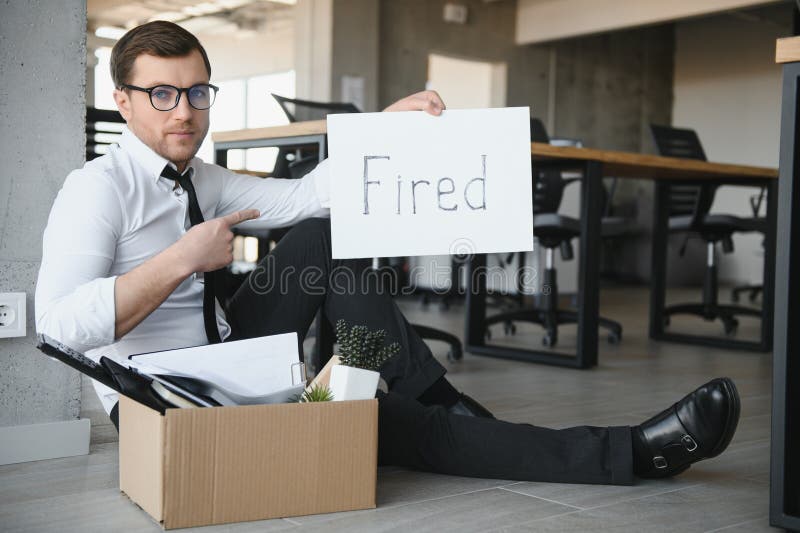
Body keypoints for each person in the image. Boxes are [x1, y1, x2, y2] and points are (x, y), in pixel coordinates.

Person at [36, 20, 740, 485]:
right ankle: (628, 451)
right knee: (411, 430)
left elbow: (312, 196)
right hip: (166, 401)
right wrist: (181, 258)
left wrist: (386, 131)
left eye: (195, 91)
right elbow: (61, 325)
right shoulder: (96, 190)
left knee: (326, 239)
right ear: (123, 102)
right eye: (161, 93)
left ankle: (432, 393)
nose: (183, 109)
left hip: (237, 363)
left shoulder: (204, 178)